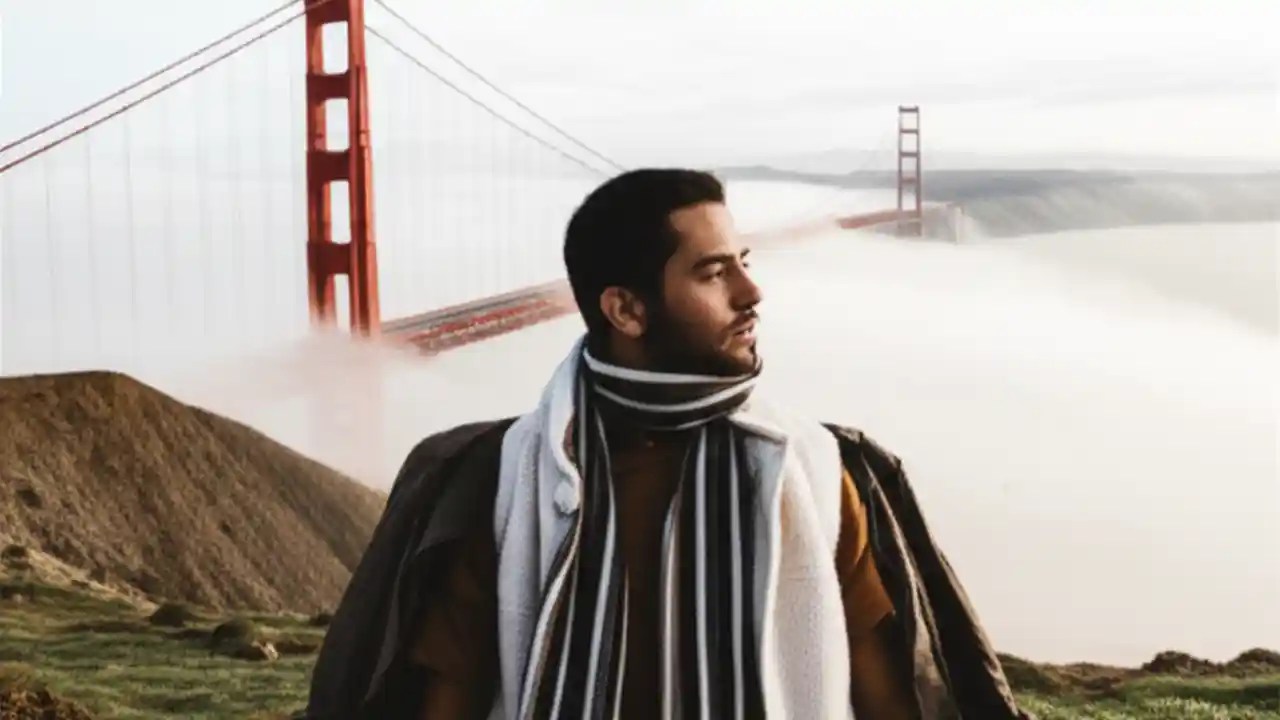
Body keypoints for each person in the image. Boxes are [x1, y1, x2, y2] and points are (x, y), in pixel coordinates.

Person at [303, 169, 1031, 719]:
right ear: (624, 307)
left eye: (745, 260)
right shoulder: (497, 480)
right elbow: (449, 697)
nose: (752, 293)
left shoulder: (814, 470)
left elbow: (888, 694)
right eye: (714, 272)